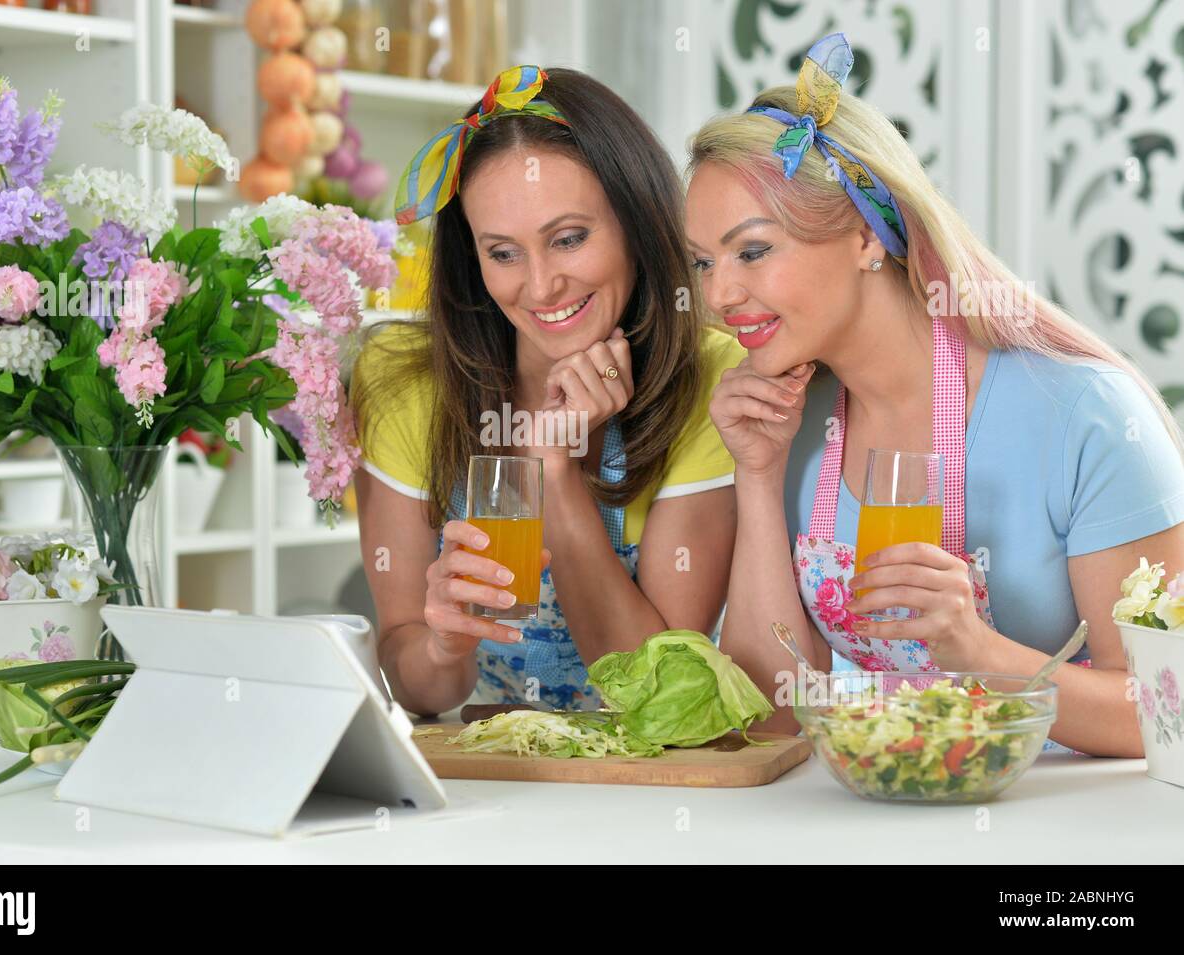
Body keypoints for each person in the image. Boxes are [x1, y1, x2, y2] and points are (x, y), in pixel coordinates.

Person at [686, 33, 1184, 756]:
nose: (719, 295)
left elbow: (1166, 712)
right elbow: (772, 716)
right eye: (703, 262)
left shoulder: (1086, 415)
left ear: (864, 236)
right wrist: (758, 478)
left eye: (753, 251)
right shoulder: (790, 423)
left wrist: (977, 648)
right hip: (878, 812)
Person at [353, 66, 745, 716]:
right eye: (503, 252)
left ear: (636, 220)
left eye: (568, 239)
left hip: (653, 784)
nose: (540, 287)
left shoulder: (710, 379)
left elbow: (656, 696)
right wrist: (446, 644)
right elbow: (415, 680)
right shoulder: (401, 378)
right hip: (496, 779)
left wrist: (554, 469)